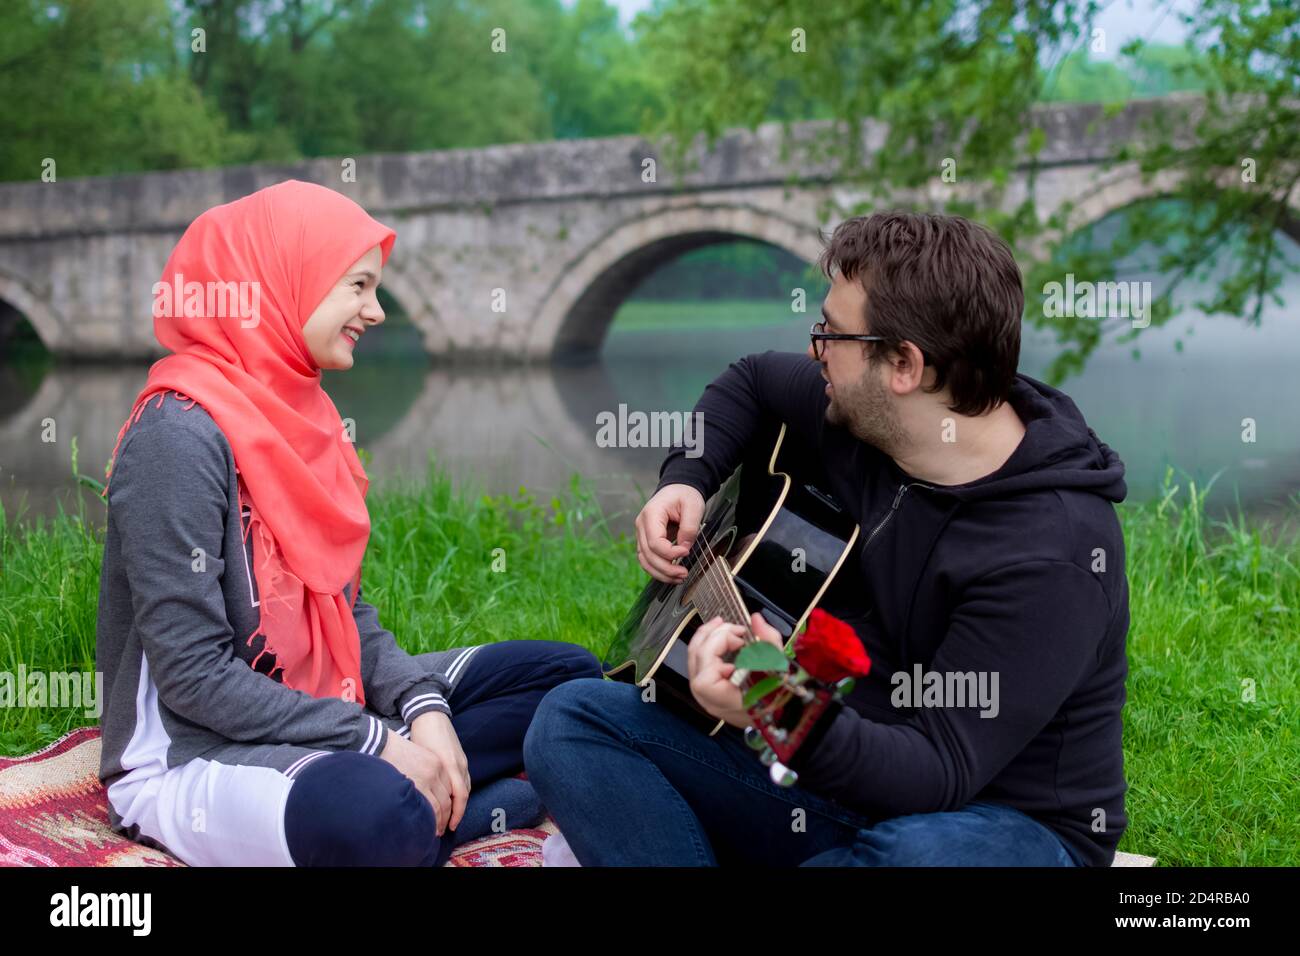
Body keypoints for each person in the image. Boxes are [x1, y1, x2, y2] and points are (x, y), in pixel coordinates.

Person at [525, 211, 1130, 867]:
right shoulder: (869, 419)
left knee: (917, 858)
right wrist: (688, 482)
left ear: (903, 364)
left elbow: (939, 768)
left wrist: (776, 703)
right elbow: (752, 380)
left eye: (832, 333)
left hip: (995, 820)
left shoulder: (1052, 553)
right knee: (575, 719)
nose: (814, 348)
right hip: (835, 767)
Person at [95, 180, 600, 867]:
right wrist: (379, 741)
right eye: (358, 286)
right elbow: (194, 677)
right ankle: (454, 807)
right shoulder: (176, 436)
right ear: (284, 281)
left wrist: (423, 713)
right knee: (371, 816)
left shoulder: (307, 417)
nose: (377, 310)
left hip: (320, 703)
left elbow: (346, 609)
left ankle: (433, 793)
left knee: (567, 681)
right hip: (196, 752)